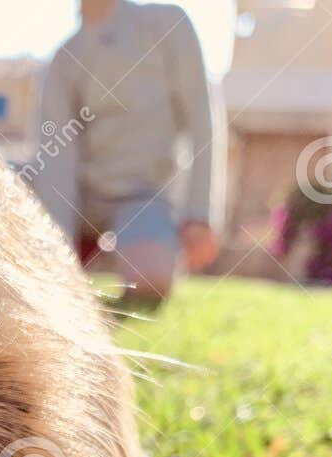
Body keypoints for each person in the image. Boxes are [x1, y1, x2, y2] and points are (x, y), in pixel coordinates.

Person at [31, 0, 224, 305]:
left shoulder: (167, 23)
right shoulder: (64, 59)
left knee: (150, 280)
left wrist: (199, 215)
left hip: (144, 199)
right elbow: (57, 160)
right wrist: (57, 251)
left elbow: (202, 119)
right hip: (85, 200)